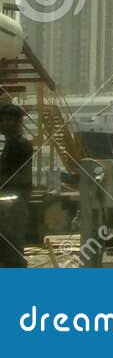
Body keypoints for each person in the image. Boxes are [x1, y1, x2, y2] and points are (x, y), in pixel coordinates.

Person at [0, 104, 32, 268]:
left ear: (18, 122)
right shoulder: (8, 145)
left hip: (12, 207)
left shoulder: (22, 145)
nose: (4, 124)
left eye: (8, 120)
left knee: (12, 253)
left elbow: (25, 178)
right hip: (8, 205)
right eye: (2, 120)